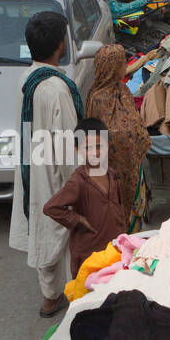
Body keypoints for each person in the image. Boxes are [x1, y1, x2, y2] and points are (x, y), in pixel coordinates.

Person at [10, 11, 85, 319]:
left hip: (33, 162)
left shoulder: (26, 79)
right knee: (67, 229)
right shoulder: (57, 89)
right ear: (59, 45)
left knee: (42, 225)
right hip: (55, 166)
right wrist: (79, 185)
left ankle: (49, 297)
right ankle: (73, 296)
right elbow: (68, 143)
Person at [42, 116, 127, 278]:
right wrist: (78, 220)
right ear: (78, 149)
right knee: (88, 294)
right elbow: (51, 208)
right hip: (89, 253)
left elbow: (119, 208)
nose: (94, 153)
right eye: (87, 148)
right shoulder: (78, 180)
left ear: (108, 145)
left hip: (113, 250)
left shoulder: (112, 174)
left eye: (99, 146)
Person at [84, 44, 150, 227]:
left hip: (134, 168)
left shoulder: (123, 90)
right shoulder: (98, 98)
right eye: (121, 64)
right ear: (112, 68)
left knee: (135, 220)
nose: (124, 67)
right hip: (112, 176)